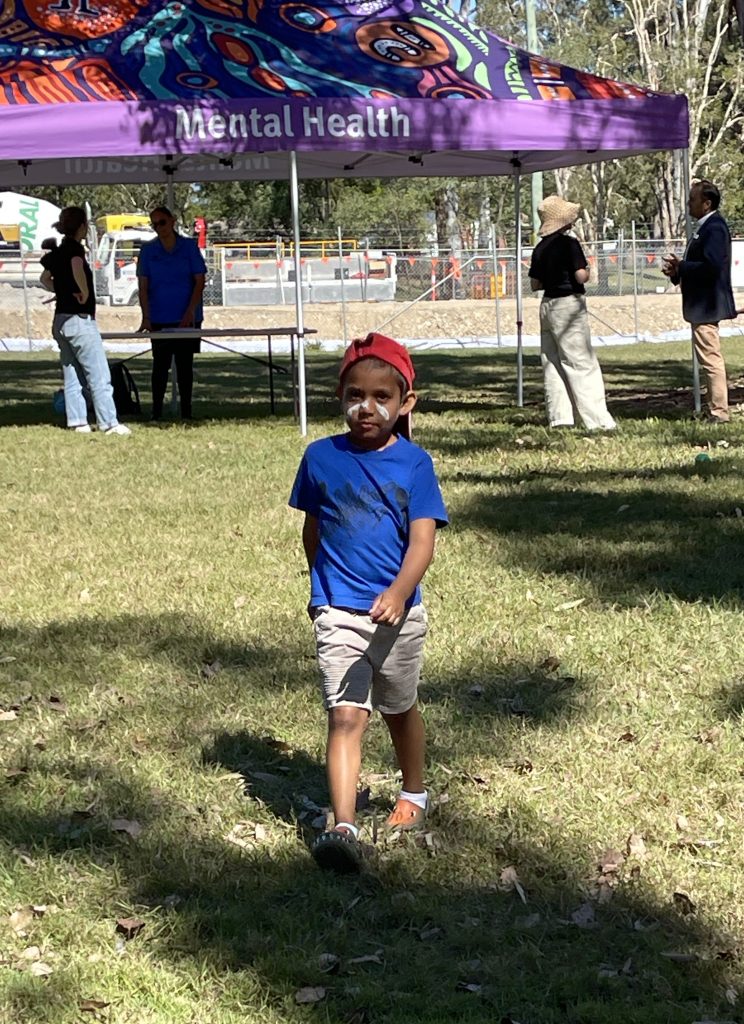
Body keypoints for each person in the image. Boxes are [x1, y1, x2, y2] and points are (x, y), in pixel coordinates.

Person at [289, 333, 448, 873]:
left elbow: (422, 541)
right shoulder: (320, 457)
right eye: (355, 394)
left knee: (399, 708)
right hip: (338, 610)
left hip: (400, 616)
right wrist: (322, 593)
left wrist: (399, 593)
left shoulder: (415, 464)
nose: (367, 407)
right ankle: (344, 825)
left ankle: (414, 793)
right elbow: (314, 529)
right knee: (345, 716)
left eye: (382, 396)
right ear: (340, 396)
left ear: (406, 404)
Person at [39, 207, 131, 436]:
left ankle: (78, 421)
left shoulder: (57, 252)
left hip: (60, 319)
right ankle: (109, 422)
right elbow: (77, 266)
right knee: (98, 374)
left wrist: (61, 290)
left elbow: (44, 278)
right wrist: (83, 291)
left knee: (72, 374)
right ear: (82, 227)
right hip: (80, 320)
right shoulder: (75, 251)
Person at [528, 195, 616, 432]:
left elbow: (535, 284)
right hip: (569, 304)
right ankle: (597, 421)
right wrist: (587, 271)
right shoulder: (570, 244)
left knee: (552, 362)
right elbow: (580, 276)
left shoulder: (540, 248)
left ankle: (560, 417)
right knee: (581, 362)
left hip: (547, 305)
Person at [662, 180, 737, 423]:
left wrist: (683, 266)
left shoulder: (714, 228)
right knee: (707, 358)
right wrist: (677, 272)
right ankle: (714, 408)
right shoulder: (704, 227)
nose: (688, 204)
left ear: (707, 203)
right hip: (700, 303)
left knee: (711, 359)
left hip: (707, 304)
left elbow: (713, 266)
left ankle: (719, 412)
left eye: (692, 199)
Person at [137, 206, 206, 421]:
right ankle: (156, 412)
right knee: (160, 367)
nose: (159, 228)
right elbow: (143, 286)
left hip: (186, 318)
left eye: (162, 222)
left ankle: (187, 412)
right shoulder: (148, 251)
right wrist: (146, 316)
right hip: (159, 318)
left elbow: (200, 281)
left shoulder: (189, 247)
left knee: (185, 367)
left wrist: (190, 312)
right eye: (154, 224)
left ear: (172, 220)